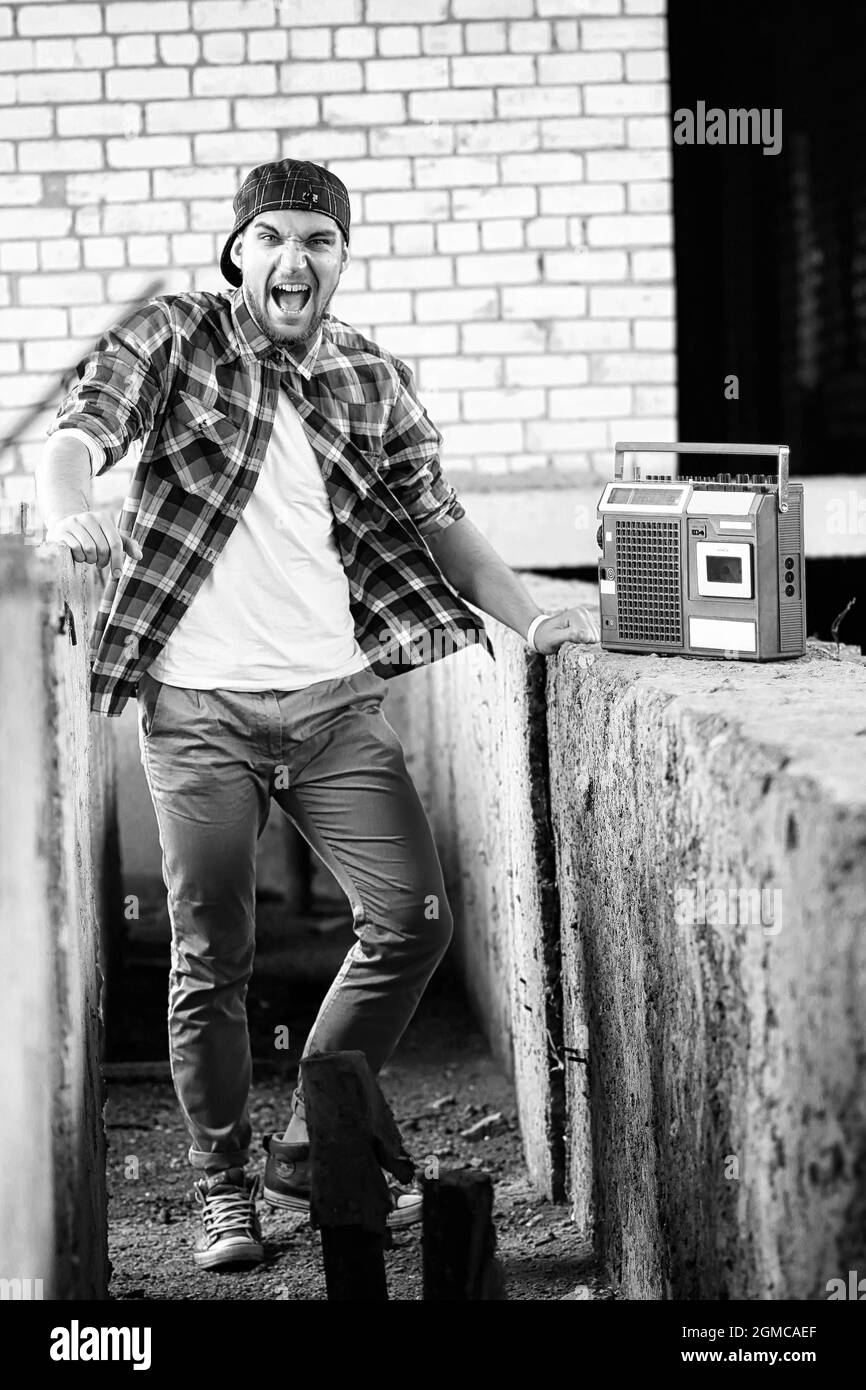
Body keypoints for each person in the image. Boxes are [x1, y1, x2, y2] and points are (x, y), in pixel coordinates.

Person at [36, 158, 600, 1271]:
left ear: (341, 258)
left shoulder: (369, 375)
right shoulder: (177, 335)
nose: (296, 259)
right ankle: (221, 1187)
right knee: (212, 954)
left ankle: (307, 1134)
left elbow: (440, 520)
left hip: (334, 703)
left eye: (320, 241)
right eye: (275, 237)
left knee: (413, 916)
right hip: (197, 709)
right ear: (239, 248)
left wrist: (535, 627)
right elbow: (80, 432)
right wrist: (66, 507)